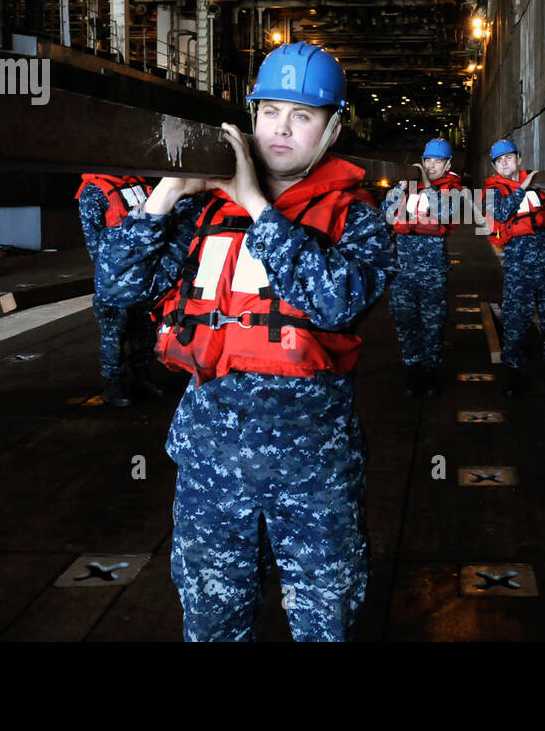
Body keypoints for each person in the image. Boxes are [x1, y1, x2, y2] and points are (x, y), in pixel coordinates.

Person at [96, 42, 397, 641]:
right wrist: (166, 195)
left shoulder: (356, 217)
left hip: (313, 470)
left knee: (325, 624)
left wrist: (256, 205)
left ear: (332, 130)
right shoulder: (198, 213)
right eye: (270, 112)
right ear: (251, 115)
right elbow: (118, 286)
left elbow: (338, 301)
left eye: (303, 116)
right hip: (212, 464)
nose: (282, 129)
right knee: (213, 624)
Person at [484, 139, 545, 398]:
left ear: (519, 159)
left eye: (509, 158)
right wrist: (522, 187)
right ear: (495, 166)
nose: (504, 163)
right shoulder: (493, 192)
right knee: (516, 322)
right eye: (499, 161)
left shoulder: (537, 187)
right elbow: (500, 215)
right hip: (518, 269)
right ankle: (513, 373)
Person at [382, 138, 463, 397]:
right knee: (405, 320)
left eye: (437, 161)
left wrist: (426, 186)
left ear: (447, 164)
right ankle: (412, 369)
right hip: (403, 268)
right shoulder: (406, 187)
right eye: (427, 160)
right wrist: (400, 188)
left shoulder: (453, 191)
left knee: (433, 324)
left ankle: (431, 372)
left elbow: (444, 214)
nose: (430, 166)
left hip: (432, 271)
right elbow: (385, 214)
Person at [76, 173, 163, 406]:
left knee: (145, 331)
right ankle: (114, 385)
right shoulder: (93, 192)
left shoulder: (140, 184)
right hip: (115, 281)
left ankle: (142, 376)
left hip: (147, 277)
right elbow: (93, 243)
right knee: (113, 335)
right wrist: (112, 275)